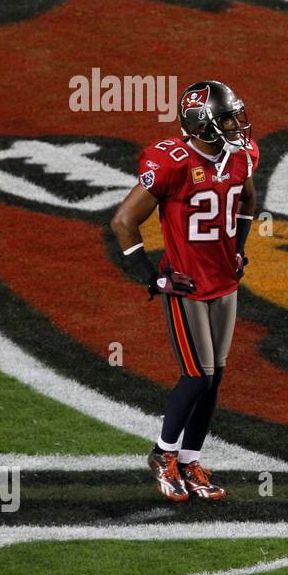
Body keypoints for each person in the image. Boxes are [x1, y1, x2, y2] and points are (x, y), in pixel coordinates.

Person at [109, 81, 259, 502]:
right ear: (202, 124)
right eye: (227, 118)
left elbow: (246, 198)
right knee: (197, 377)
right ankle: (162, 455)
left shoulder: (243, 154)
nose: (236, 125)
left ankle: (190, 460)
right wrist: (151, 276)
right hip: (188, 284)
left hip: (224, 281)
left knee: (215, 379)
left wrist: (240, 249)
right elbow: (123, 220)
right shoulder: (172, 162)